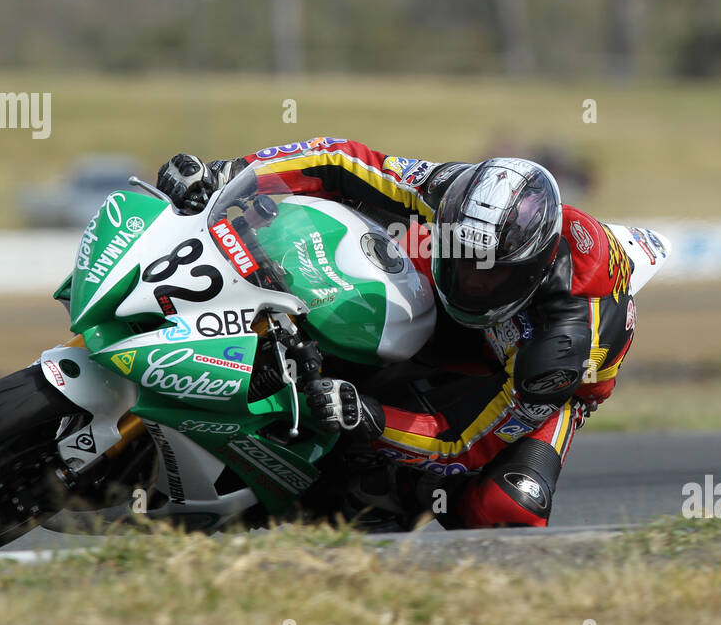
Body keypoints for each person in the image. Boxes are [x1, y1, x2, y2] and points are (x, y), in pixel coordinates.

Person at [156, 138, 636, 528]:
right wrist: (231, 172)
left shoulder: (561, 345)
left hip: (530, 379)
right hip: (467, 313)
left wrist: (371, 416)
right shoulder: (452, 196)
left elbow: (462, 442)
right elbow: (339, 161)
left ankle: (387, 504)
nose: (470, 279)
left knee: (505, 509)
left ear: (530, 270)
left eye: (487, 275)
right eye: (461, 259)